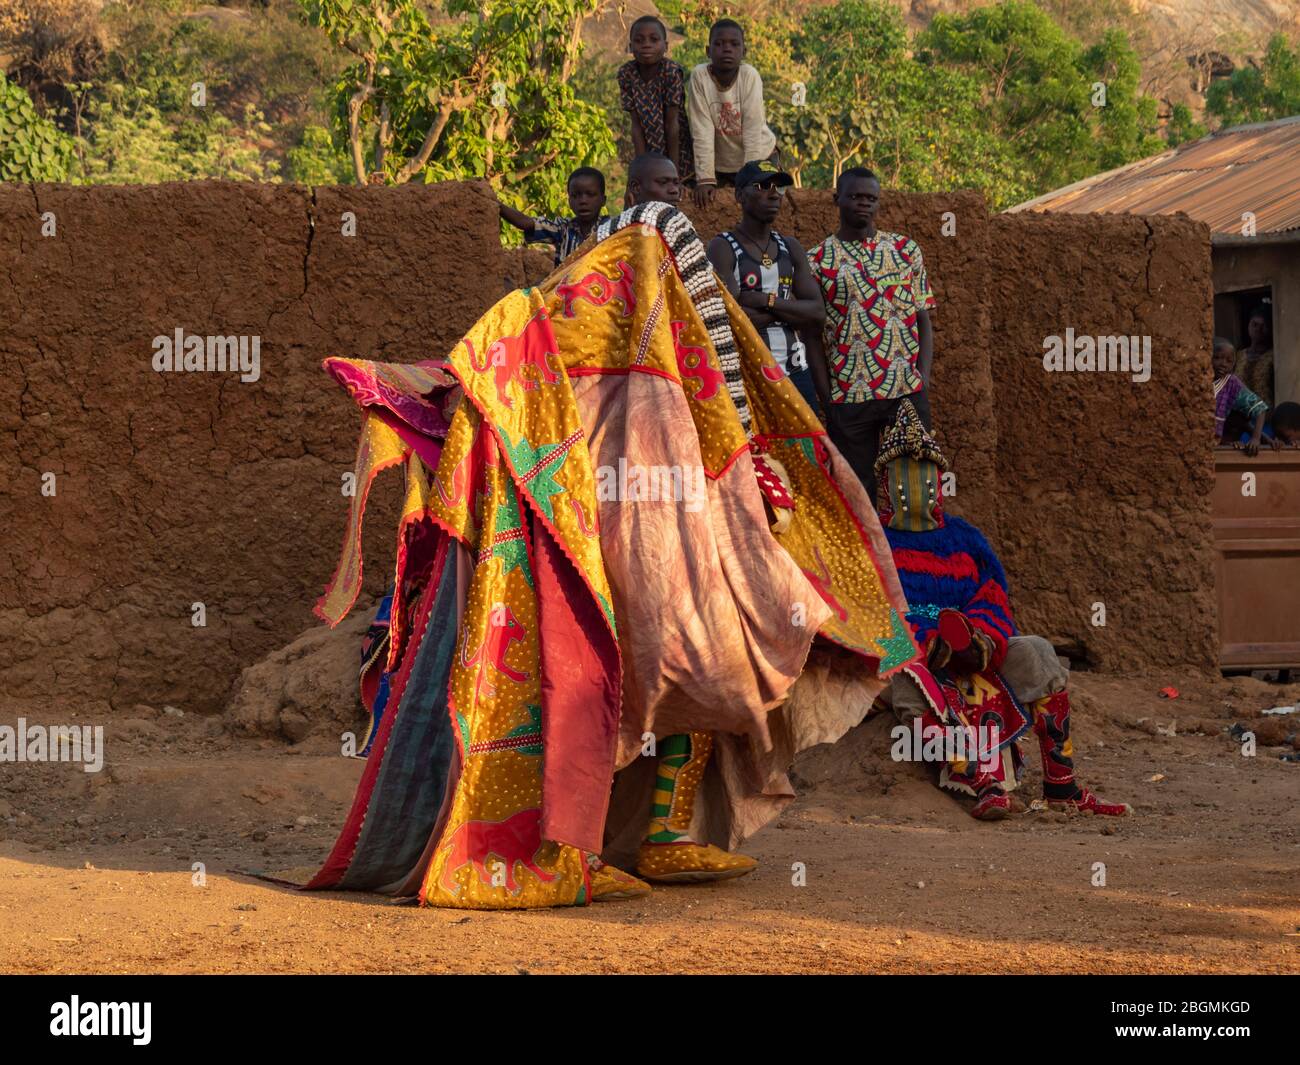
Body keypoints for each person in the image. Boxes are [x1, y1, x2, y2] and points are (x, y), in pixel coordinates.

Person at [304, 194, 923, 909]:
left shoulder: (656, 334)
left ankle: (657, 829)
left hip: (641, 537)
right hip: (567, 543)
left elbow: (718, 411)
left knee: (693, 665)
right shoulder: (574, 317)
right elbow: (496, 378)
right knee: (599, 676)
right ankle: (572, 845)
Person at [877, 401, 1130, 821]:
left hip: (973, 646)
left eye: (925, 474)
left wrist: (978, 638)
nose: (916, 485)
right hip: (912, 655)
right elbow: (868, 613)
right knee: (908, 688)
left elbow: (993, 597)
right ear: (886, 484)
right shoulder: (873, 541)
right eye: (904, 475)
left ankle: (1061, 786)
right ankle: (982, 783)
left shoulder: (965, 538)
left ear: (940, 482)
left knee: (1036, 652)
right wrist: (925, 640)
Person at [806, 167, 935, 502]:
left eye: (871, 198)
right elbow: (811, 336)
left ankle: (909, 556)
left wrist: (922, 377)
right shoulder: (817, 260)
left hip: (905, 391)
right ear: (837, 199)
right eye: (855, 196)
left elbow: (923, 318)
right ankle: (870, 556)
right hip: (849, 395)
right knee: (856, 495)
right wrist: (827, 397)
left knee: (913, 493)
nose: (863, 204)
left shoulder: (906, 250)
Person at [706, 159, 823, 411]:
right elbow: (731, 321)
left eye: (778, 188)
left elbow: (816, 314)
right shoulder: (723, 247)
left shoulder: (790, 247)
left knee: (805, 449)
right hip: (748, 374)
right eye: (762, 186)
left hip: (795, 371)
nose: (773, 194)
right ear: (739, 196)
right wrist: (790, 313)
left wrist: (765, 301)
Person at [688, 19, 778, 207]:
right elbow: (701, 129)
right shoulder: (700, 76)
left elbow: (753, 131)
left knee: (763, 201)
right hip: (722, 164)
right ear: (708, 51)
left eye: (734, 44)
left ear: (743, 52)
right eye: (719, 44)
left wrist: (751, 178)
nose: (726, 49)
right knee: (711, 203)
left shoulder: (749, 76)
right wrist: (705, 179)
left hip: (760, 154)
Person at [618, 15, 694, 187]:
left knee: (675, 189)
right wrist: (642, 168)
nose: (646, 44)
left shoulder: (671, 71)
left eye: (654, 40)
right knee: (646, 184)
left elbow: (672, 124)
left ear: (665, 46)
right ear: (630, 47)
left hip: (677, 148)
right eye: (639, 40)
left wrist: (674, 174)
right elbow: (636, 126)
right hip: (648, 145)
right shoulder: (626, 73)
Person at [497, 167, 607, 267]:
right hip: (563, 288)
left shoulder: (611, 229)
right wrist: (497, 205)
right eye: (575, 195)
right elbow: (526, 223)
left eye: (590, 194)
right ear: (569, 201)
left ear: (603, 200)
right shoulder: (563, 228)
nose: (583, 201)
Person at [1214, 336, 1269, 456]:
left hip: (1217, 444)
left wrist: (1255, 438)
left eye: (1229, 361)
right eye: (1218, 358)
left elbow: (1260, 409)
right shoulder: (1198, 379)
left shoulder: (1231, 383)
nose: (1223, 364)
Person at [1233, 307, 1274, 407]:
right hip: (1240, 415)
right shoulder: (1238, 356)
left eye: (1264, 326)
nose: (1258, 329)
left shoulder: (1273, 356)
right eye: (1254, 324)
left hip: (1266, 415)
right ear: (1248, 326)